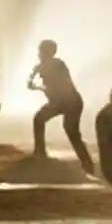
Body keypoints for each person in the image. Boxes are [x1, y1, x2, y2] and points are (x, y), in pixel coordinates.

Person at [28, 39, 95, 174]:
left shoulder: (56, 65)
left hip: (70, 101)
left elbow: (54, 85)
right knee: (40, 119)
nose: (38, 54)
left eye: (41, 51)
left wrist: (37, 80)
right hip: (63, 101)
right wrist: (36, 82)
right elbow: (41, 85)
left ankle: (87, 164)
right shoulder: (46, 65)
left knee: (71, 131)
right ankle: (40, 151)